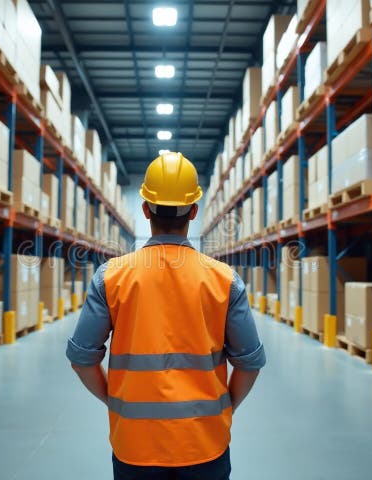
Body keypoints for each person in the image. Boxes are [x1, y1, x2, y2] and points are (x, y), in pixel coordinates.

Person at [66, 152, 266, 480]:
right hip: (204, 445)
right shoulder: (224, 279)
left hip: (134, 446)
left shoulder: (111, 277)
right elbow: (250, 362)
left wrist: (115, 402)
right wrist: (222, 409)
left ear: (145, 209)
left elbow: (81, 359)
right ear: (194, 211)